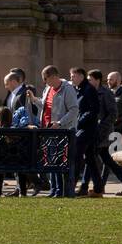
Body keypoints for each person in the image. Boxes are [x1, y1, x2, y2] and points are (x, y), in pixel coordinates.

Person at [39, 65, 78, 197]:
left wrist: (60, 123)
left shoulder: (68, 89)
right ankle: (54, 189)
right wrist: (34, 100)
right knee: (51, 161)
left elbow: (74, 110)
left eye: (46, 78)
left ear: (54, 76)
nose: (45, 82)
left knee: (59, 162)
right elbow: (45, 106)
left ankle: (61, 190)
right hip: (48, 130)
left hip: (62, 131)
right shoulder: (48, 89)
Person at [70, 66, 103, 196]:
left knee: (76, 156)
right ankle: (98, 188)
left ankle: (71, 186)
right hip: (84, 128)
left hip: (87, 129)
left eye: (73, 75)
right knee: (90, 159)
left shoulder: (89, 89)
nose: (71, 78)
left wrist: (79, 121)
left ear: (80, 76)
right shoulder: (79, 89)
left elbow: (93, 110)